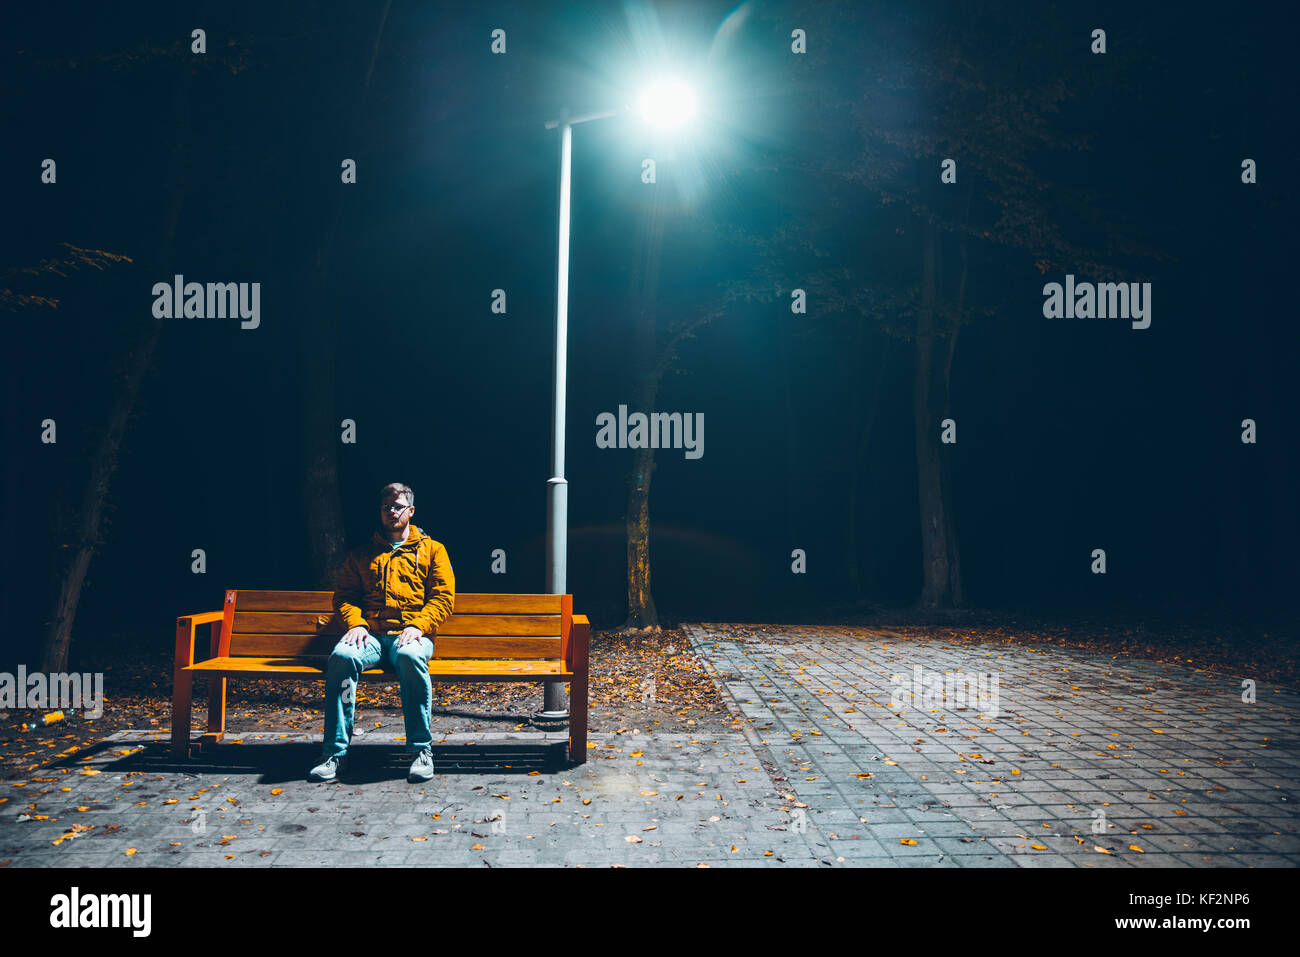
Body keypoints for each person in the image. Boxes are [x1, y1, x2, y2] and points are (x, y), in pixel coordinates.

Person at [309, 482, 455, 783]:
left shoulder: (432, 550)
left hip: (413, 635)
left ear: (411, 511)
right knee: (341, 656)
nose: (391, 511)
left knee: (409, 656)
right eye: (386, 506)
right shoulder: (362, 554)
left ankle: (420, 751)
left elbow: (443, 598)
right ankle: (335, 753)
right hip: (371, 637)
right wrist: (357, 623)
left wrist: (418, 626)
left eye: (398, 506)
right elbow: (344, 597)